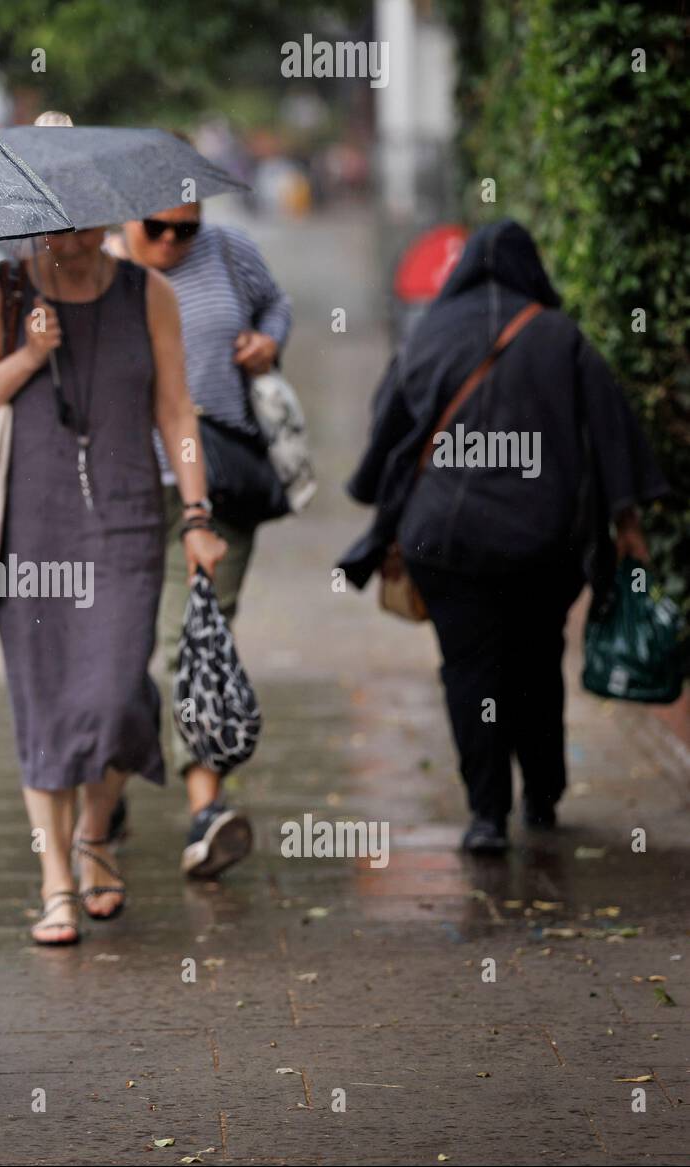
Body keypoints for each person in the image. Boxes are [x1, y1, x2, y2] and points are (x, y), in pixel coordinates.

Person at [339, 219, 667, 854]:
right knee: (537, 664)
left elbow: (386, 440)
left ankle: (485, 816)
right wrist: (627, 524)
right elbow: (612, 433)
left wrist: (384, 515)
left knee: (468, 672)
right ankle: (543, 793)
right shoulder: (559, 335)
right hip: (542, 542)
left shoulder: (426, 334)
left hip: (445, 540)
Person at [0, 223, 225, 945]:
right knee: (45, 695)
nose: (70, 239)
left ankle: (94, 831)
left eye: (82, 223)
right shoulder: (5, 287)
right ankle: (57, 877)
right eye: (53, 227)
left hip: (125, 519)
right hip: (29, 528)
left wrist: (198, 511)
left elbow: (176, 410)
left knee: (114, 691)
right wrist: (30, 354)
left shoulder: (149, 292)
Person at [108, 198, 292, 876]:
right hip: (122, 483)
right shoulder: (99, 269)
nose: (170, 241)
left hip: (216, 480)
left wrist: (269, 340)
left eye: (185, 228)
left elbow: (277, 304)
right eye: (153, 226)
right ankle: (111, 784)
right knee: (122, 642)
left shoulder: (230, 250)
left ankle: (206, 809)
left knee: (199, 632)